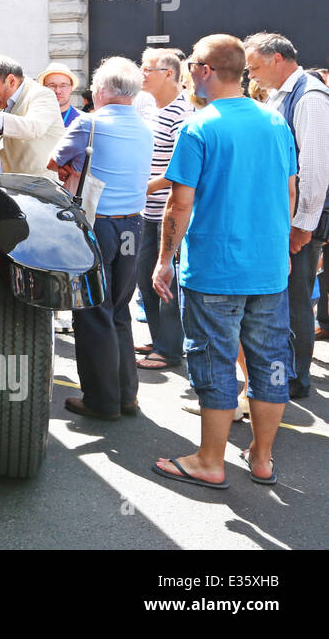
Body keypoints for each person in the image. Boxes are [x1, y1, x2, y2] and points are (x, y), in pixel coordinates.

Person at [148, 34, 296, 489]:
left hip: (215, 268)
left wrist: (164, 260)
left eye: (192, 63)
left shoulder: (199, 126)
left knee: (213, 362)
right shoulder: (274, 122)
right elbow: (289, 193)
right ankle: (263, 457)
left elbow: (179, 205)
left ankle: (210, 461)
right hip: (268, 267)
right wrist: (279, 249)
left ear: (205, 70)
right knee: (270, 362)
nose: (190, 69)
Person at [49, 57, 154, 420]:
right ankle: (127, 396)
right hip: (133, 225)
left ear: (103, 90)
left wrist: (73, 168)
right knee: (120, 309)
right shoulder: (145, 127)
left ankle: (101, 400)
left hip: (99, 226)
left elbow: (54, 160)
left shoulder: (89, 123)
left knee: (93, 311)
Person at [243, 32, 329, 400]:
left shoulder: (309, 96)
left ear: (278, 59)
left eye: (255, 67)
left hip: (300, 220)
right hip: (289, 217)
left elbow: (314, 166)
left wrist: (303, 226)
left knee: (295, 299)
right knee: (288, 296)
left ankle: (295, 378)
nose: (251, 76)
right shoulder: (289, 93)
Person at [134, 48, 193, 371]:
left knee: (165, 281)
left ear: (169, 74)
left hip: (169, 211)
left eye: (148, 69)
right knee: (147, 280)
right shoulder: (153, 109)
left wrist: (143, 187)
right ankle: (160, 341)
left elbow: (180, 172)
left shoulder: (183, 112)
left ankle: (170, 349)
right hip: (149, 211)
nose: (141, 74)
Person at [0, 55, 65, 179]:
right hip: (16, 183)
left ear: (11, 81)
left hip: (42, 185)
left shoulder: (42, 94)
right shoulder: (3, 101)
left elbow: (34, 128)